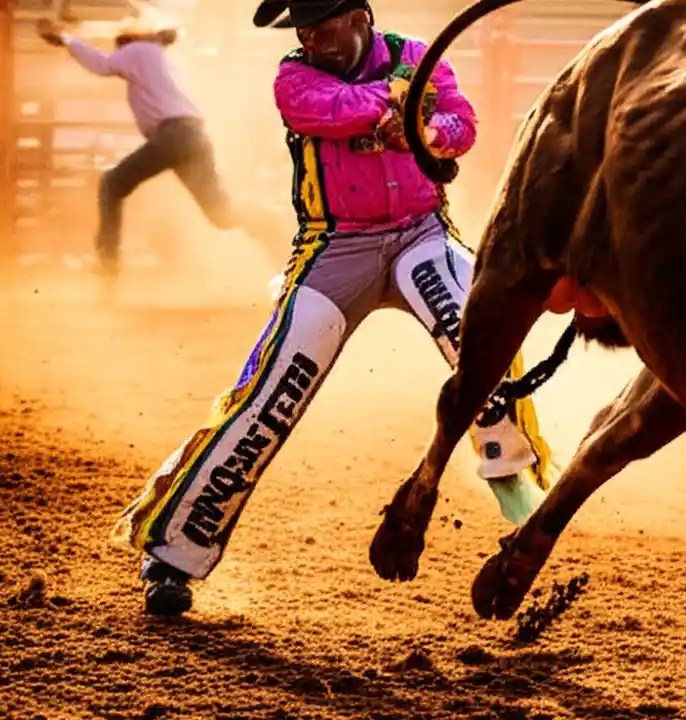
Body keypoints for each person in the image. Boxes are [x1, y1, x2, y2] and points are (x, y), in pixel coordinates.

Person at [111, 0, 557, 616]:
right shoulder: (296, 76)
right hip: (333, 244)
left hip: (420, 231)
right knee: (270, 393)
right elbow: (330, 111)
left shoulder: (415, 57)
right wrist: (401, 105)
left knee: (478, 340)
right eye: (304, 28)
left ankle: (519, 497)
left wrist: (427, 130)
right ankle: (175, 552)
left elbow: (461, 121)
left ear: (358, 18)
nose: (311, 38)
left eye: (321, 24)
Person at [36, 14, 257, 277]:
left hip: (173, 135)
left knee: (112, 184)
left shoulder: (138, 51)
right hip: (194, 135)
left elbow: (101, 64)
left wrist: (65, 39)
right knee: (221, 213)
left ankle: (108, 265)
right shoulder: (162, 57)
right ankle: (271, 221)